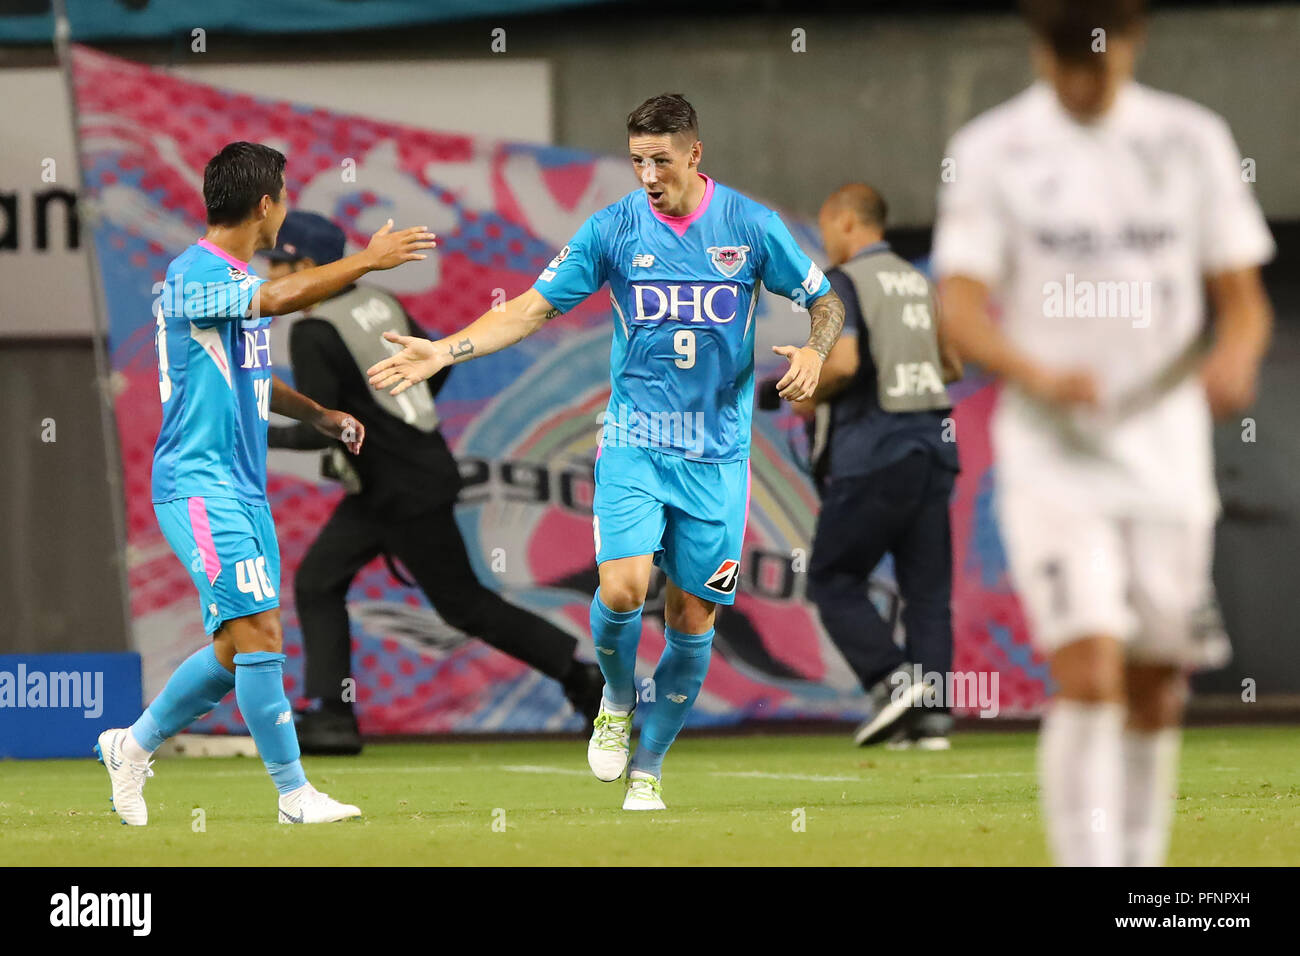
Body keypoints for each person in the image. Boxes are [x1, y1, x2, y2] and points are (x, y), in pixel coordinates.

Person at [367, 93, 844, 810]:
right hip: (635, 444)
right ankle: (616, 704)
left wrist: (815, 349)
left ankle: (648, 768)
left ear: (694, 154)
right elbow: (529, 308)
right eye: (636, 161)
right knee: (622, 589)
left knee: (692, 621)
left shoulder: (748, 225)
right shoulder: (614, 229)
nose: (648, 174)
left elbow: (826, 299)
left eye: (660, 159)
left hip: (717, 459)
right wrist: (445, 349)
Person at [933, 0, 1274, 865]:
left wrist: (1235, 358)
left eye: (1104, 55)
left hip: (1163, 445)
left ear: (1134, 43)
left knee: (1158, 682)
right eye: (1067, 57)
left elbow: (1243, 302)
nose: (1087, 75)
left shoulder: (1192, 140)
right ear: (1041, 56)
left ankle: (1140, 873)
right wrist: (1038, 371)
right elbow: (960, 309)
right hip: (1054, 448)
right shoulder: (991, 151)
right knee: (1089, 668)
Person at [95, 142, 436, 825]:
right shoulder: (194, 274)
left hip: (241, 489)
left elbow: (253, 373)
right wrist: (368, 259)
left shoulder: (226, 279)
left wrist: (320, 414)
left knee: (235, 646)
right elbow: (279, 296)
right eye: (282, 194)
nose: (286, 206)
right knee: (260, 633)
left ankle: (131, 746)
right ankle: (293, 793)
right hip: (198, 486)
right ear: (264, 205)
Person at [261, 211, 604, 754]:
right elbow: (433, 364)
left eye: (277, 265)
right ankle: (331, 714)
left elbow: (328, 427)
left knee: (461, 605)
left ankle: (585, 678)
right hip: (399, 476)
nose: (270, 277)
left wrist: (257, 437)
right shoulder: (376, 300)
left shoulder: (312, 327)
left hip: (399, 488)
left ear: (306, 265)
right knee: (320, 581)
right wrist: (407, 423)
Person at [794, 183, 962, 749]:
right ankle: (932, 718)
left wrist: (804, 389)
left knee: (831, 578)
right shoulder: (919, 282)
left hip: (874, 450)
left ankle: (892, 683)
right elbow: (952, 365)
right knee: (927, 592)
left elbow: (841, 362)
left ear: (845, 222)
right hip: (934, 449)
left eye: (825, 225)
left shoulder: (842, 282)